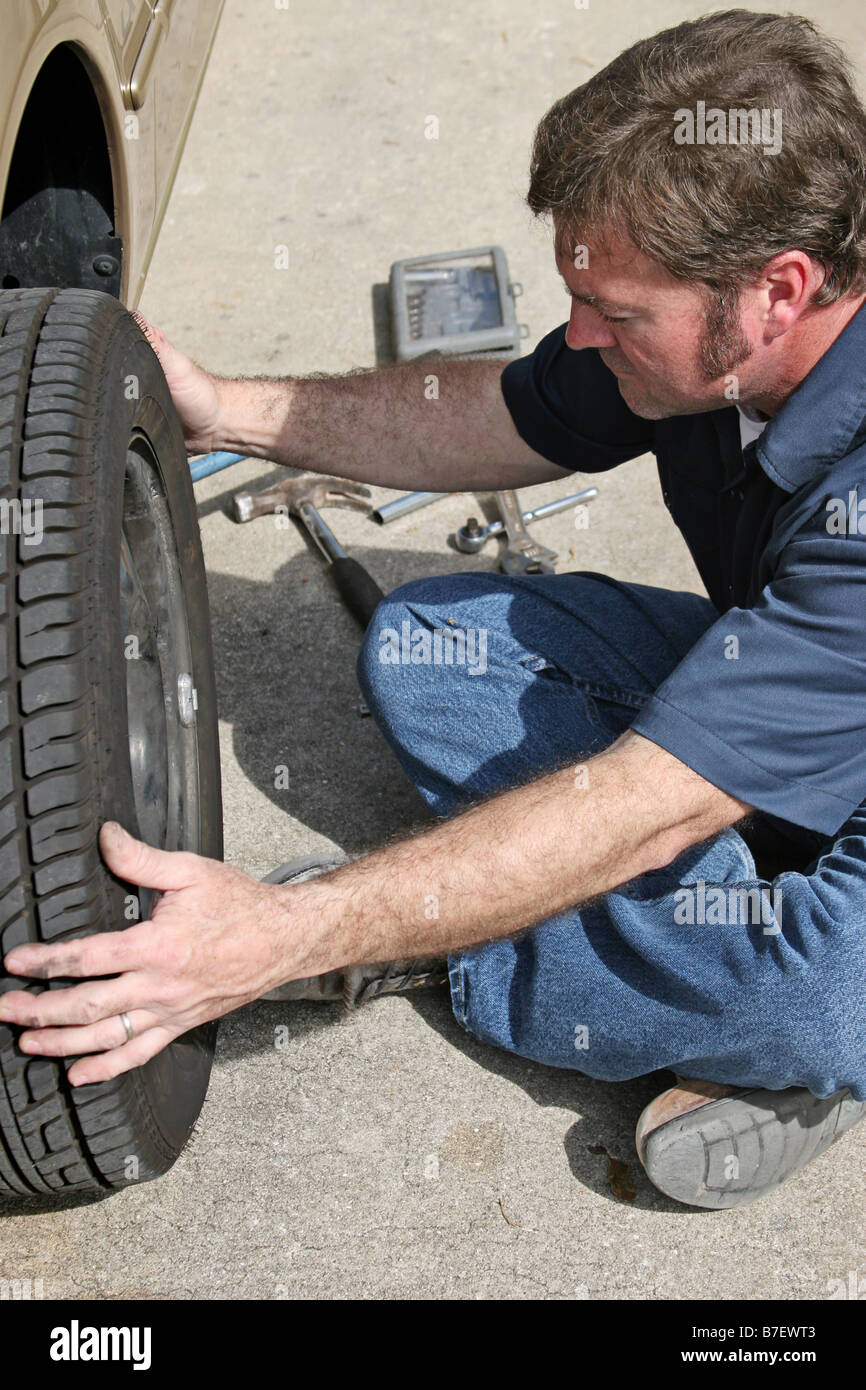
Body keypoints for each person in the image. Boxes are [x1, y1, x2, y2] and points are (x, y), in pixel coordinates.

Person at [3, 8, 866, 1209]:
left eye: (615, 315)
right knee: (427, 641)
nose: (578, 335)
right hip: (792, 687)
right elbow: (495, 415)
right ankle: (693, 969)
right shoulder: (713, 345)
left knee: (815, 988)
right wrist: (229, 406)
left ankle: (763, 1022)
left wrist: (294, 932)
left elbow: (641, 804)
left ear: (777, 291)